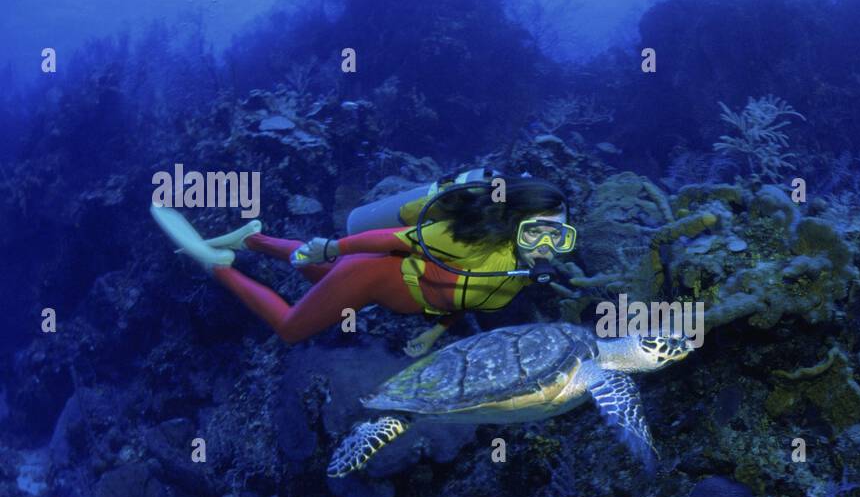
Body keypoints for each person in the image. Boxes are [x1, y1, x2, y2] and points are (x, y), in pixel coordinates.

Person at [151, 171, 577, 350]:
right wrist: (333, 247)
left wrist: (433, 335)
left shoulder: (520, 274)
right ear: (512, 222)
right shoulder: (470, 239)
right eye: (535, 229)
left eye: (557, 235)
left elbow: (464, 297)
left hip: (382, 287)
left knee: (315, 273)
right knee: (291, 328)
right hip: (374, 272)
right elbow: (392, 237)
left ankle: (254, 238)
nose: (545, 244)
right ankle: (218, 264)